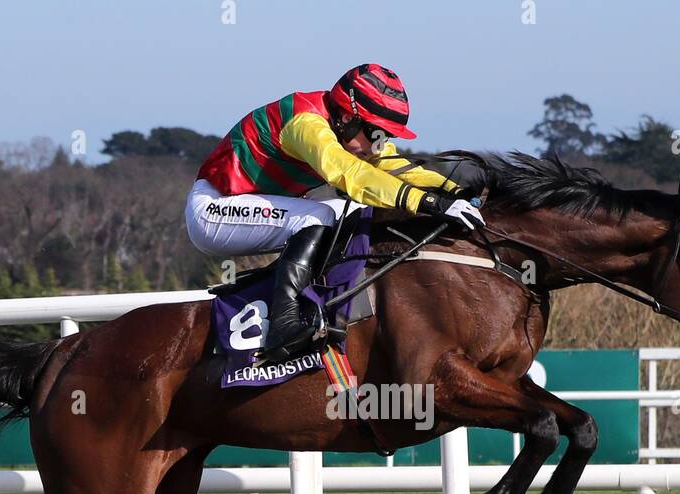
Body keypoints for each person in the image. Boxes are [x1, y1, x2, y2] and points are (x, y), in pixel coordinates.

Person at [187, 63, 484, 365]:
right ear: (346, 117)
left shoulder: (353, 131)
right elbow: (350, 174)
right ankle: (284, 327)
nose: (379, 145)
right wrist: (430, 204)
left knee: (353, 212)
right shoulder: (307, 124)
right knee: (318, 216)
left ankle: (330, 303)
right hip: (214, 210)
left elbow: (399, 169)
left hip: (252, 208)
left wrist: (452, 190)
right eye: (375, 133)